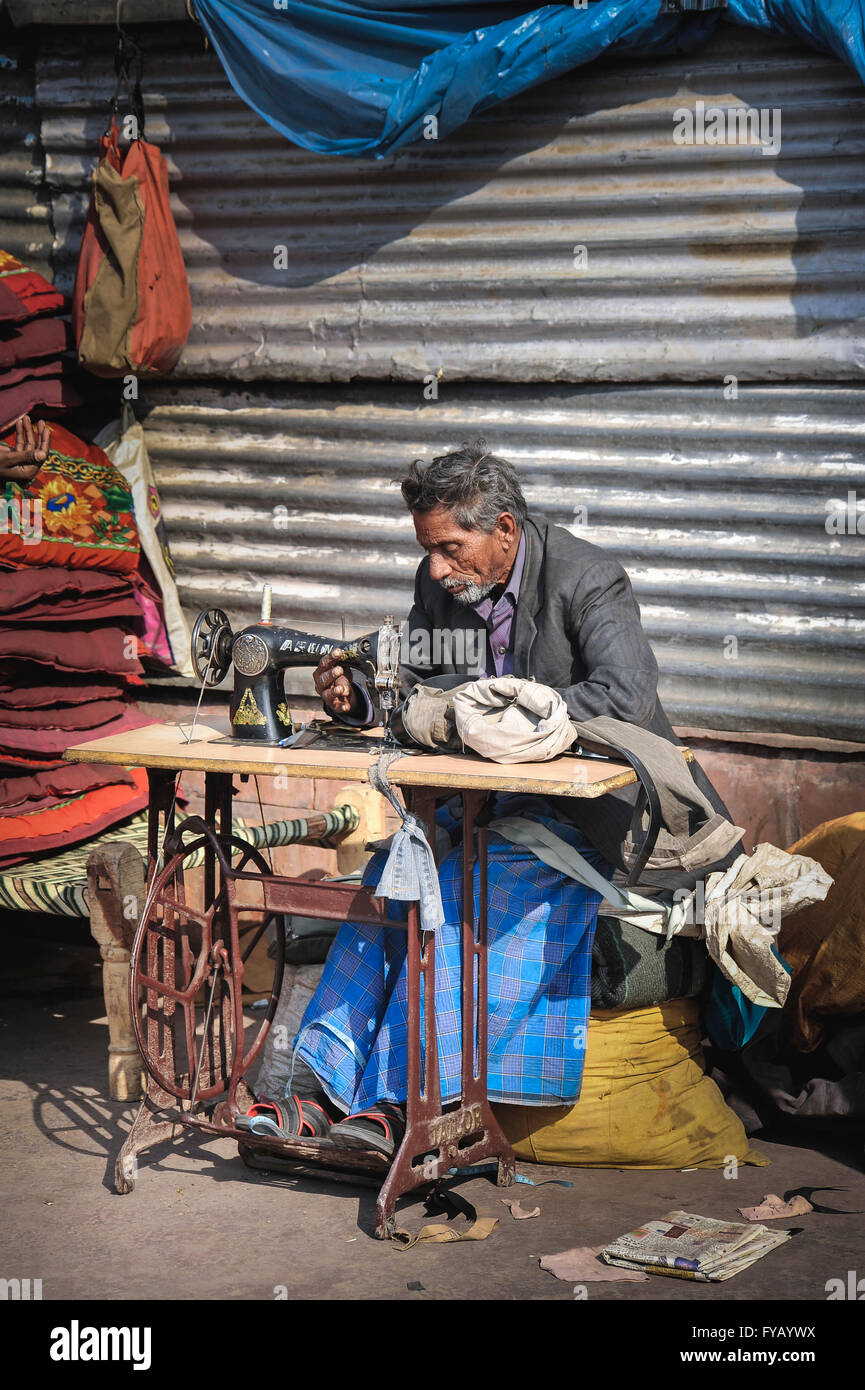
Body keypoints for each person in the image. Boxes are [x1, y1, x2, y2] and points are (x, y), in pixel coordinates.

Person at [274, 438, 730, 1155]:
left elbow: (625, 696)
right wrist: (356, 699)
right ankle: (319, 1090)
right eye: (428, 550)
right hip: (503, 809)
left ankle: (399, 1106)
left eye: (450, 548)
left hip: (602, 825)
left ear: (505, 530)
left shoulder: (587, 579)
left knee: (460, 892)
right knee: (391, 878)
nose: (435, 567)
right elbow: (416, 687)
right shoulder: (442, 588)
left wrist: (501, 717)